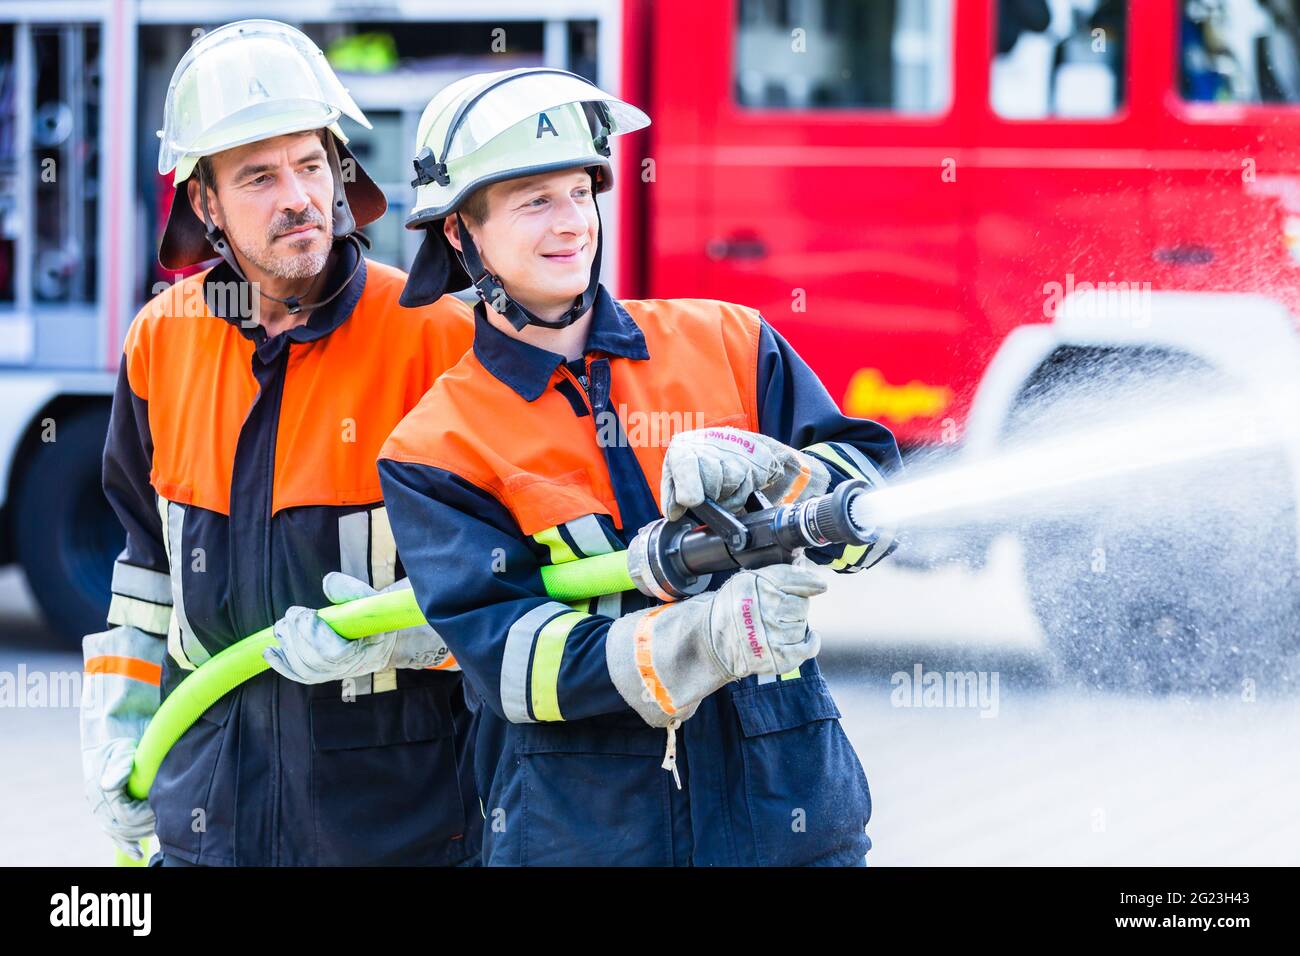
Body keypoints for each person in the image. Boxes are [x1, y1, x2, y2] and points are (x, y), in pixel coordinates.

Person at [377, 67, 901, 866]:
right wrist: (707, 640)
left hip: (790, 821)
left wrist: (781, 474)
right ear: (460, 233)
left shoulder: (730, 342)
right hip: (585, 841)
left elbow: (873, 513)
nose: (570, 224)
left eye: (579, 193)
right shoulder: (437, 445)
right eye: (533, 201)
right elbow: (516, 663)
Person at [80, 20, 480, 866]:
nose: (296, 196)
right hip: (206, 820)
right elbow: (145, 572)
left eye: (310, 165)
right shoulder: (162, 343)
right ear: (205, 204)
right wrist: (117, 732)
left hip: (397, 829)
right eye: (258, 176)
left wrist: (405, 640)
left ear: (341, 173)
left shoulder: (434, 340)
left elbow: (516, 585)